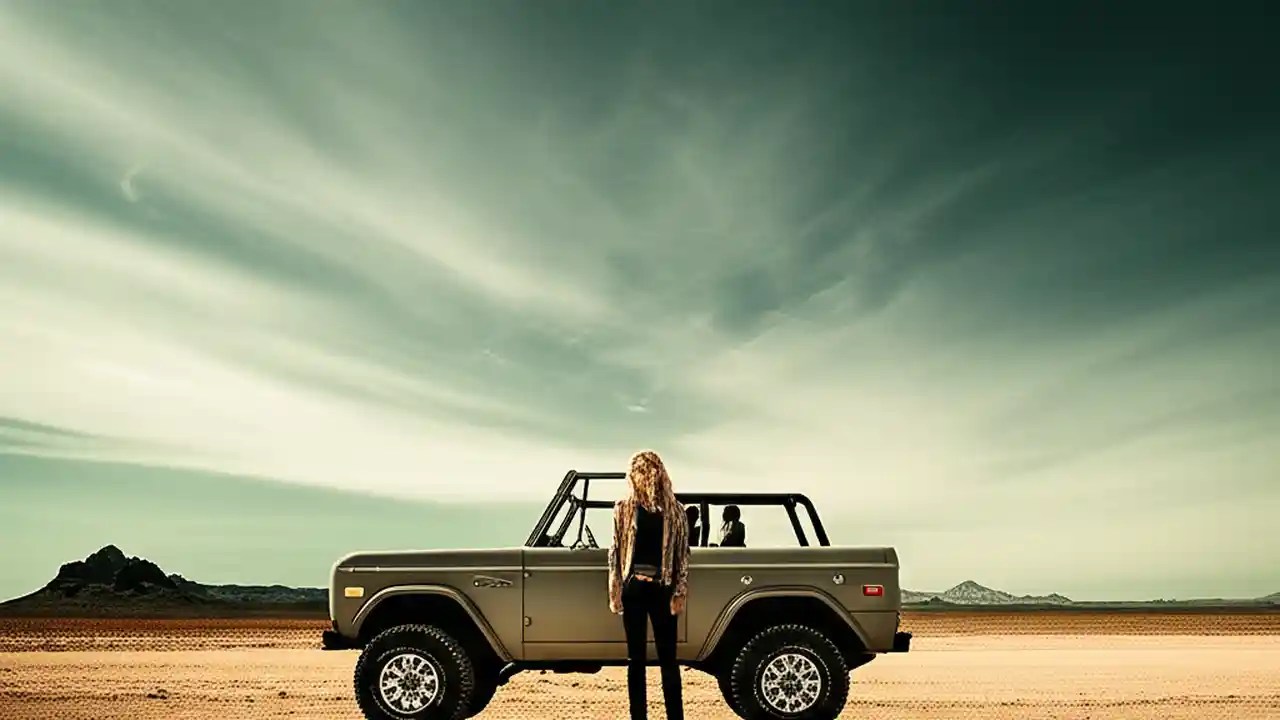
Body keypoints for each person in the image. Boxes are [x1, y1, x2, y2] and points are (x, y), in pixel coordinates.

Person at [608, 450, 689, 720]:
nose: (643, 476)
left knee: (668, 660)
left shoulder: (676, 511)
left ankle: (675, 717)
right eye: (638, 471)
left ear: (658, 472)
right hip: (634, 590)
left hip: (662, 588)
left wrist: (679, 591)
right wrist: (616, 588)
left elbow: (682, 556)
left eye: (647, 470)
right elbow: (616, 551)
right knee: (636, 661)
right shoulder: (623, 508)